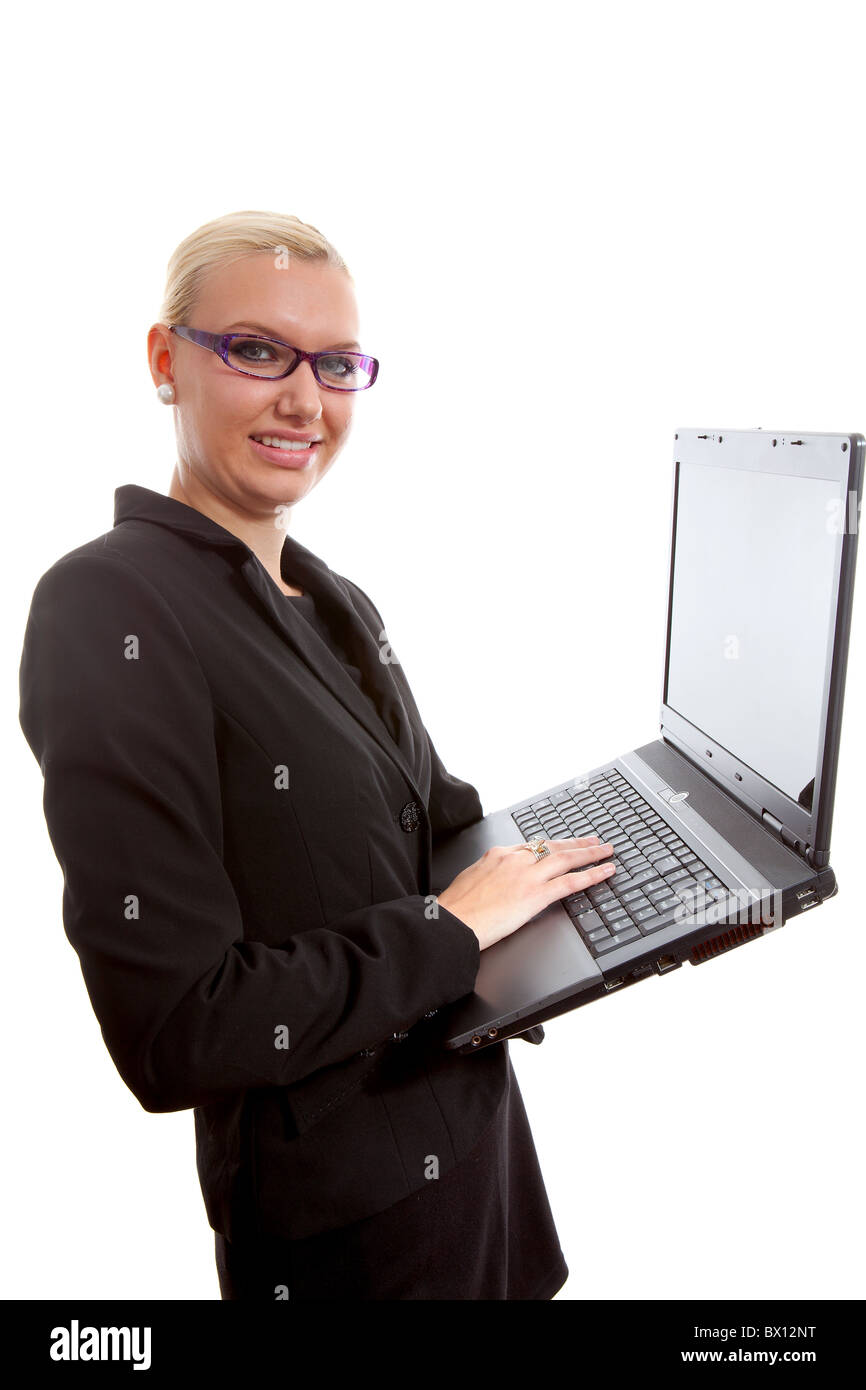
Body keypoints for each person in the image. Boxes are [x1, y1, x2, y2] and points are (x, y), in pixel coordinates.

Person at [17, 210, 618, 1301]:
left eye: (336, 363)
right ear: (166, 360)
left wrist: (629, 893)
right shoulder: (106, 607)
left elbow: (440, 837)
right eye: (255, 350)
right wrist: (449, 926)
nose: (304, 399)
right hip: (350, 1251)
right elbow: (176, 1027)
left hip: (483, 1192)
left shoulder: (328, 596)